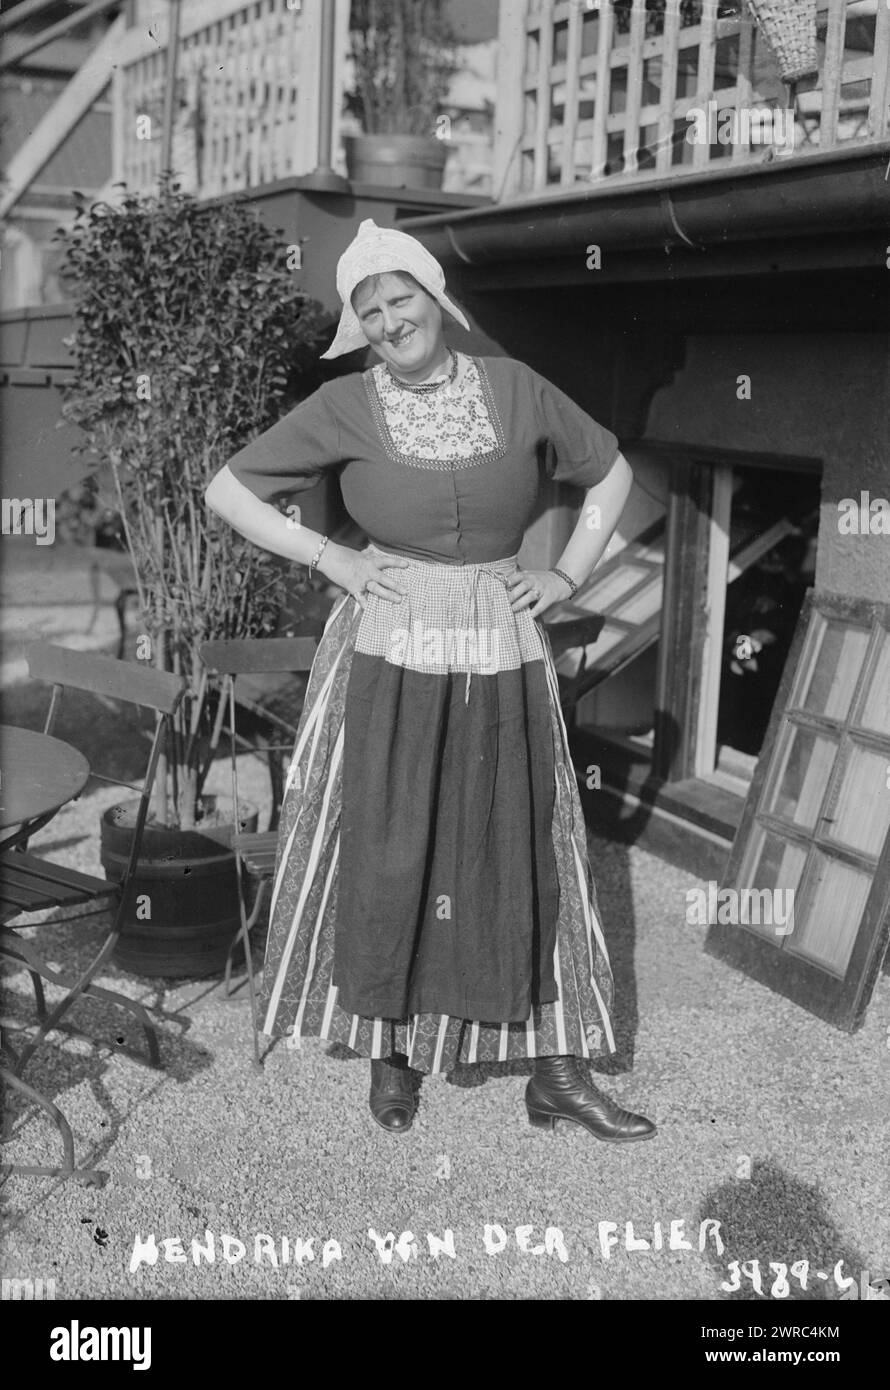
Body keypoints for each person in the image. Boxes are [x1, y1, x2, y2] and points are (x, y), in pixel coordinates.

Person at [205, 218, 655, 1143]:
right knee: (390, 836)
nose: (388, 318)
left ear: (433, 297)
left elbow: (610, 474)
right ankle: (390, 1054)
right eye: (369, 309)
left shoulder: (517, 389)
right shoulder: (345, 405)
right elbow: (229, 489)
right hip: (388, 643)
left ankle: (555, 1068)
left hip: (500, 637)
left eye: (399, 297)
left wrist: (567, 574)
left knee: (521, 835)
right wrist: (331, 558)